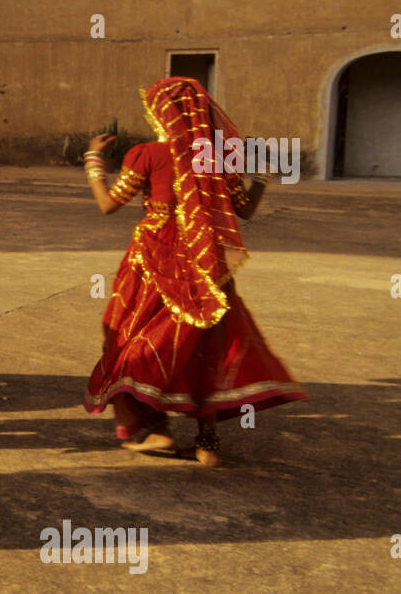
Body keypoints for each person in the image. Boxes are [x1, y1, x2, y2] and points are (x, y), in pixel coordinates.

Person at [82, 76, 306, 466]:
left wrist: (93, 161)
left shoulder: (148, 153)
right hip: (207, 266)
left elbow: (108, 205)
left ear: (162, 113)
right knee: (206, 346)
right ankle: (208, 444)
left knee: (137, 341)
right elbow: (246, 210)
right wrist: (262, 178)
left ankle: (157, 430)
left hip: (154, 262)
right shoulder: (215, 158)